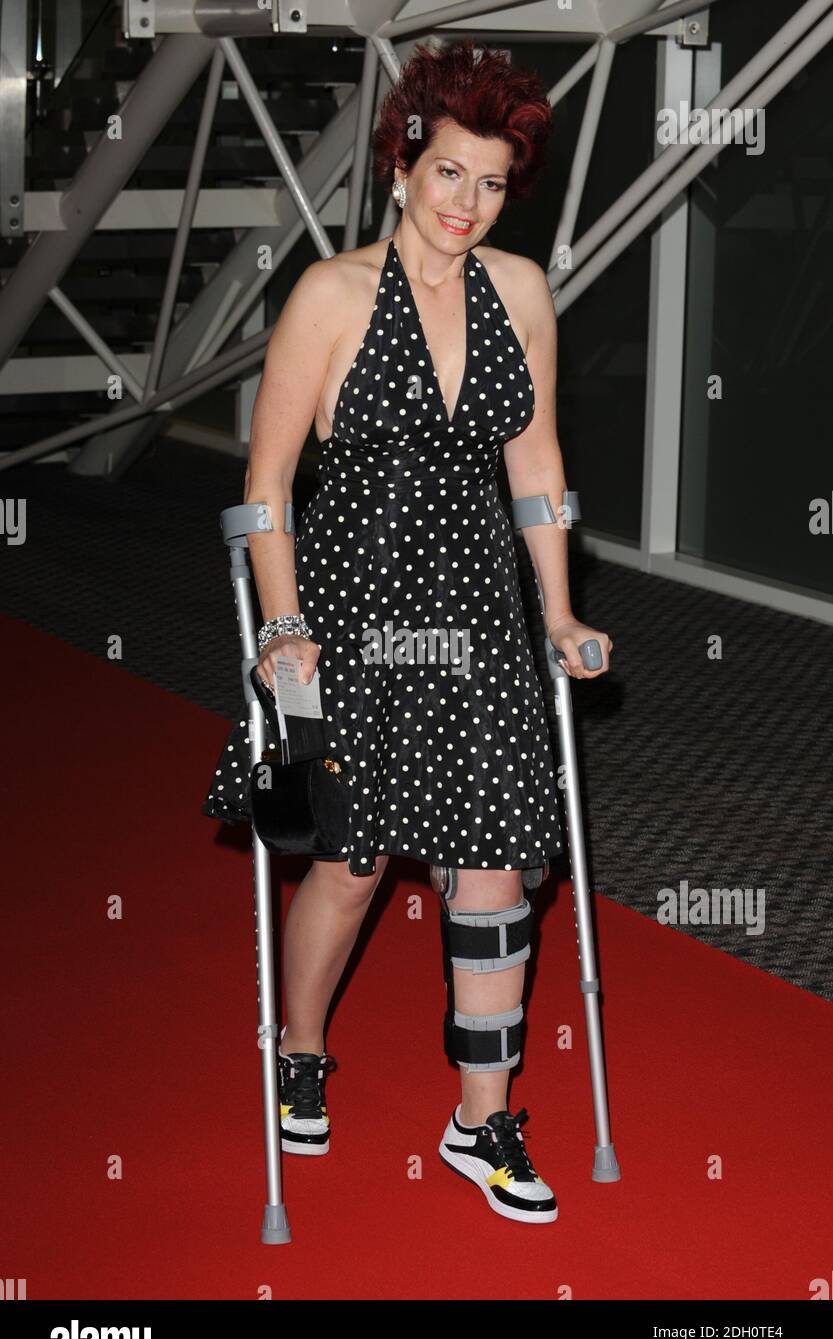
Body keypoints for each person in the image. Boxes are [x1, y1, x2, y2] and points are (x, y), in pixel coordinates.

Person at [204, 39, 612, 1224]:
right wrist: (282, 625)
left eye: (488, 183)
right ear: (401, 165)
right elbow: (268, 482)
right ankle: (299, 1043)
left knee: (492, 868)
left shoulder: (520, 292)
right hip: (354, 603)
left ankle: (480, 1120)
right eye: (448, 175)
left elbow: (535, 466)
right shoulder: (330, 295)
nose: (466, 205)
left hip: (478, 607)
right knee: (352, 858)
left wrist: (559, 606)